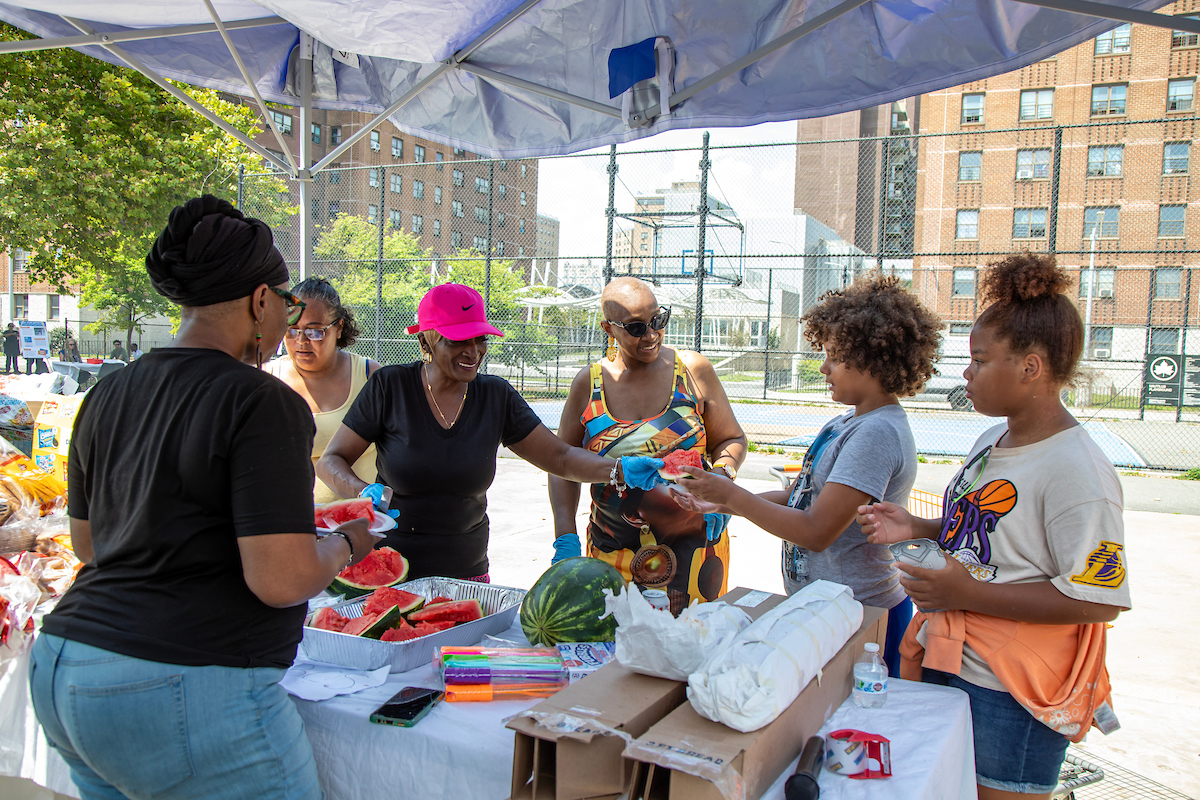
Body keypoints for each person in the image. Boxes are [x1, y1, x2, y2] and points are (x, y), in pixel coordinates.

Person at [29, 195, 379, 800]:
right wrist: (347, 543)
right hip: (184, 679)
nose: (287, 322)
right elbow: (281, 578)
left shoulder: (108, 392)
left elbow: (89, 544)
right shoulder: (263, 401)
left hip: (65, 664)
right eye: (286, 303)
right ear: (260, 300)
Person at [858, 253, 1130, 800]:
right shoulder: (993, 440)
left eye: (979, 360)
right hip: (952, 659)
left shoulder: (1078, 473)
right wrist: (920, 527)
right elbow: (991, 532)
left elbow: (1098, 601)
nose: (966, 373)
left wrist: (967, 593)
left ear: (1030, 368)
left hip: (1012, 691)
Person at [672, 274, 941, 671]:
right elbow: (798, 498)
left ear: (870, 360)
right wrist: (719, 504)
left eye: (834, 356)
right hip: (828, 611)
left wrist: (732, 496)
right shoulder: (846, 424)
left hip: (862, 618)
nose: (823, 367)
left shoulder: (876, 434)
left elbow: (816, 531)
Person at [318, 282, 643, 583]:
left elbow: (561, 457)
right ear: (426, 340)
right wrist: (361, 491)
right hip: (389, 572)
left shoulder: (495, 397)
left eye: (480, 339)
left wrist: (620, 469)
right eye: (458, 340)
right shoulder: (390, 387)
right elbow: (331, 460)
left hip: (468, 575)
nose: (473, 352)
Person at [548, 277, 748, 613]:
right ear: (608, 329)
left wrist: (723, 477)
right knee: (613, 641)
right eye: (636, 327)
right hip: (612, 557)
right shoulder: (589, 384)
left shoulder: (692, 371)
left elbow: (731, 438)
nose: (652, 334)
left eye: (658, 320)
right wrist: (565, 536)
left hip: (697, 555)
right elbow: (561, 463)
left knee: (695, 638)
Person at [267, 277, 382, 504]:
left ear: (339, 327)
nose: (301, 341)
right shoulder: (268, 379)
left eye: (314, 331)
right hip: (290, 517)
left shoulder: (370, 376)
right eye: (291, 330)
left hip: (363, 516)